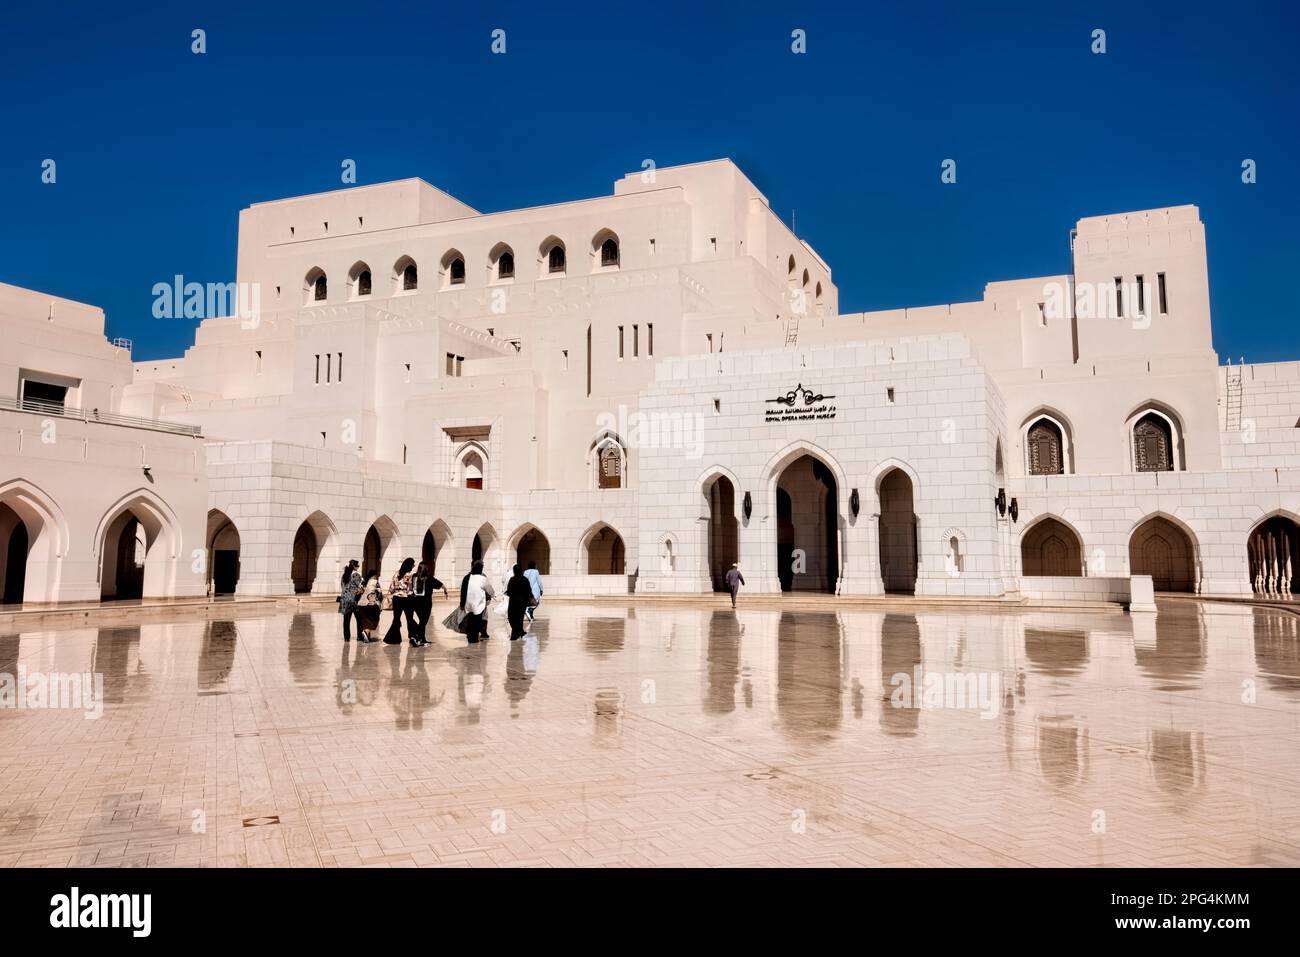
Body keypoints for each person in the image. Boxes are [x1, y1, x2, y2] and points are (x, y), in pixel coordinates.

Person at [409, 561, 447, 645]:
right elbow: (439, 584)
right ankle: (416, 637)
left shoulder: (414, 577)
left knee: (422, 621)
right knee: (423, 622)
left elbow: (410, 587)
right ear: (426, 569)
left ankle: (420, 638)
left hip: (415, 602)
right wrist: (445, 589)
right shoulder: (429, 577)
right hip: (426, 603)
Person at [459, 560, 494, 643]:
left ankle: (471, 635)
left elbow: (463, 591)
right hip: (479, 604)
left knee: (470, 619)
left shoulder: (467, 577)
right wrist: (491, 595)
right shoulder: (482, 578)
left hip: (469, 603)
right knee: (477, 620)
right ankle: (474, 636)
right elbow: (490, 590)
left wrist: (462, 603)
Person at [383, 557, 416, 645]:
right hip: (407, 598)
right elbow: (413, 588)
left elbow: (392, 587)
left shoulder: (397, 573)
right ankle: (412, 636)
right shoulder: (412, 575)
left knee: (396, 618)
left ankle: (393, 638)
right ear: (410, 565)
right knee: (409, 619)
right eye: (413, 564)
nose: (414, 565)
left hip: (396, 598)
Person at [505, 563, 533, 640]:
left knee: (512, 618)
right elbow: (529, 591)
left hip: (513, 602)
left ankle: (516, 633)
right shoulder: (525, 580)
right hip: (522, 602)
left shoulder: (512, 579)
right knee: (519, 618)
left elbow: (509, 591)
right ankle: (519, 631)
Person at [355, 570, 383, 642]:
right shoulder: (375, 582)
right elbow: (379, 593)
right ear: (374, 575)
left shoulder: (363, 582)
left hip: (361, 604)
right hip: (371, 604)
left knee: (366, 620)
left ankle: (367, 636)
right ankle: (366, 632)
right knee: (375, 620)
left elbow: (357, 592)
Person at [338, 560, 362, 641]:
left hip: (345, 599)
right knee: (359, 619)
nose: (358, 567)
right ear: (354, 566)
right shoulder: (356, 575)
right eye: (357, 566)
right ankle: (359, 636)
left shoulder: (344, 575)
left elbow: (343, 587)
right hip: (354, 600)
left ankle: (347, 638)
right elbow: (360, 587)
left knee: (346, 620)